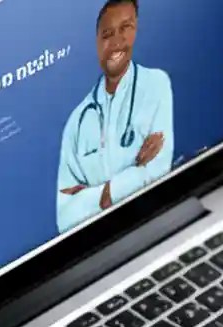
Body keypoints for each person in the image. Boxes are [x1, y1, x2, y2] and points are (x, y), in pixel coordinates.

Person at [56, 0, 174, 233]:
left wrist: (91, 194)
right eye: (107, 34)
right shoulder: (77, 122)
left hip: (153, 223)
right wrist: (122, 183)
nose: (116, 42)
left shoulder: (155, 85)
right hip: (96, 242)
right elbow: (65, 218)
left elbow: (158, 173)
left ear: (136, 30)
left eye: (125, 28)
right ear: (97, 43)